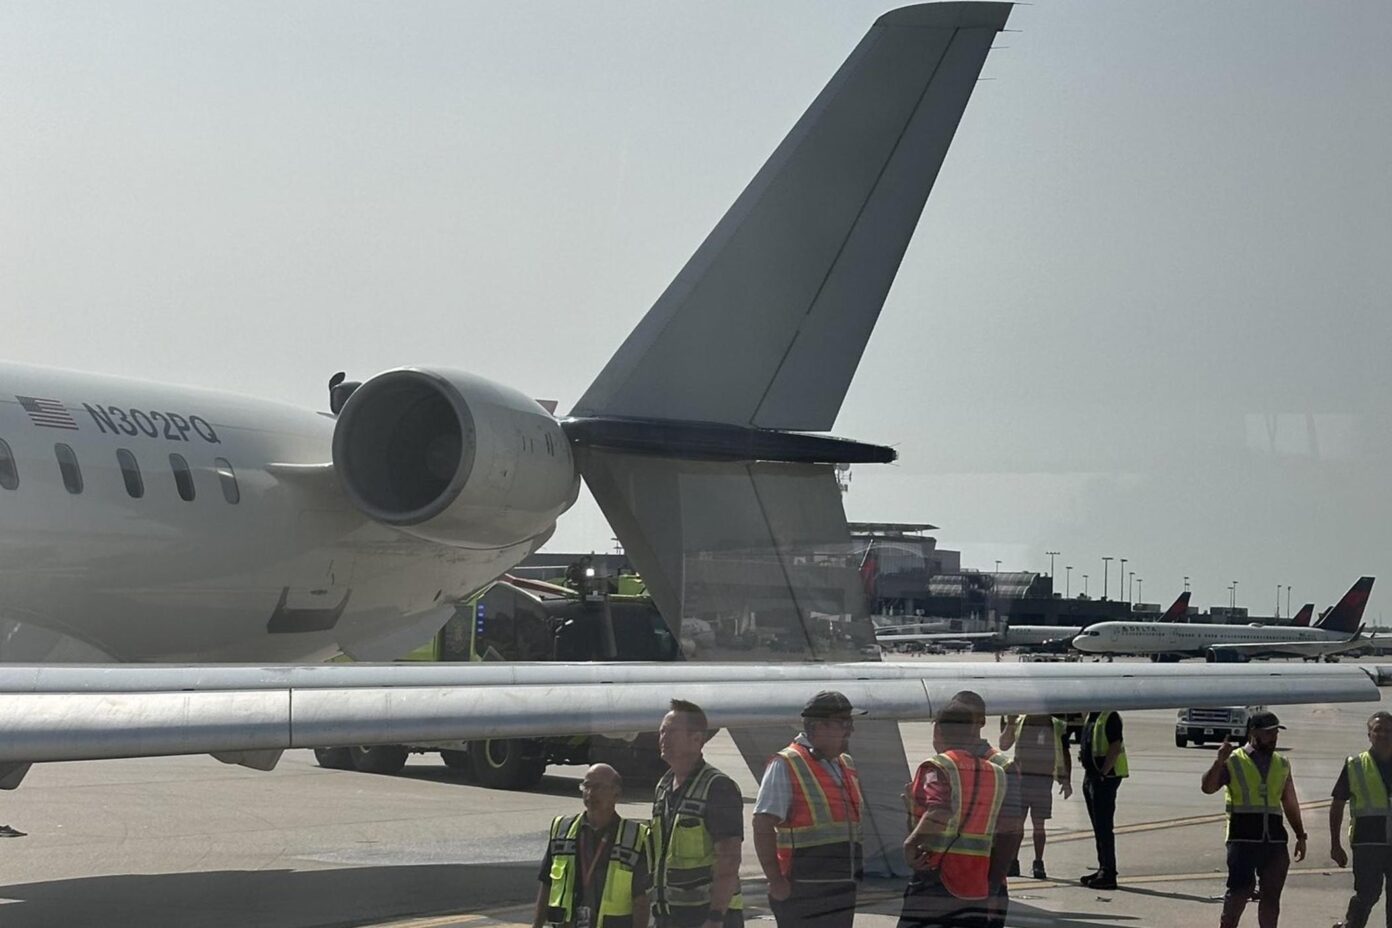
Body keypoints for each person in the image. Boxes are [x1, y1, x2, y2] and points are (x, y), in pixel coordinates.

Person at [753, 690, 866, 928]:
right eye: (843, 723)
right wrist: (775, 881)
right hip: (802, 889)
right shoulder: (786, 764)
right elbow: (762, 824)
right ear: (818, 727)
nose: (851, 730)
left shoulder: (844, 763)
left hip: (841, 888)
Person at [897, 701, 1013, 928]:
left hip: (937, 876)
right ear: (972, 731)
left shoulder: (937, 767)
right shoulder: (997, 773)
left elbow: (939, 810)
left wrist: (910, 844)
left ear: (938, 730)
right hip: (976, 883)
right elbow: (1007, 829)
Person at [1199, 710, 1306, 928]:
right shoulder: (1234, 760)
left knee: (1272, 895)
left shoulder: (1282, 763)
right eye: (1268, 733)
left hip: (1274, 839)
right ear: (1253, 732)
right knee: (1239, 892)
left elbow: (1290, 802)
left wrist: (1300, 834)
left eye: (1276, 732)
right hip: (1243, 837)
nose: (1273, 737)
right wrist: (1219, 762)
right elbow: (1208, 787)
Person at [651, 699, 744, 928]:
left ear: (697, 739)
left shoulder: (718, 787)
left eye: (672, 732)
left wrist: (715, 917)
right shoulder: (663, 787)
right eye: (662, 731)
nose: (663, 738)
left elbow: (729, 859)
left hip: (707, 917)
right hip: (669, 915)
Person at [533, 763, 651, 928]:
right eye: (586, 786)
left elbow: (641, 900)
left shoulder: (634, 837)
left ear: (616, 793)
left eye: (598, 787)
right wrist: (536, 925)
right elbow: (546, 884)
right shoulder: (563, 829)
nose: (590, 793)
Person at [1330, 710, 1392, 928]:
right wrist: (1335, 844)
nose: (1383, 735)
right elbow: (1337, 804)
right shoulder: (1355, 765)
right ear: (1369, 735)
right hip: (1367, 844)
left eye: (1388, 730)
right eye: (1377, 730)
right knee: (1367, 895)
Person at [1000, 714, 1072, 879]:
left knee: (1038, 826)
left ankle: (1038, 862)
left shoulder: (1055, 725)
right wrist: (1010, 724)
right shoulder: (1019, 721)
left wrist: (1065, 779)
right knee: (1018, 825)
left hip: (1043, 780)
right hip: (1021, 780)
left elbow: (1064, 752)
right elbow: (1004, 745)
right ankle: (1013, 861)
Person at [1080, 709, 1127, 889]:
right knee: (1098, 826)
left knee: (1104, 826)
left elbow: (1115, 746)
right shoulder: (1092, 716)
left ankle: (1108, 872)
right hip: (1091, 776)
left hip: (1105, 778)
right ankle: (1103, 868)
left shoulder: (1110, 716)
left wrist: (1103, 773)